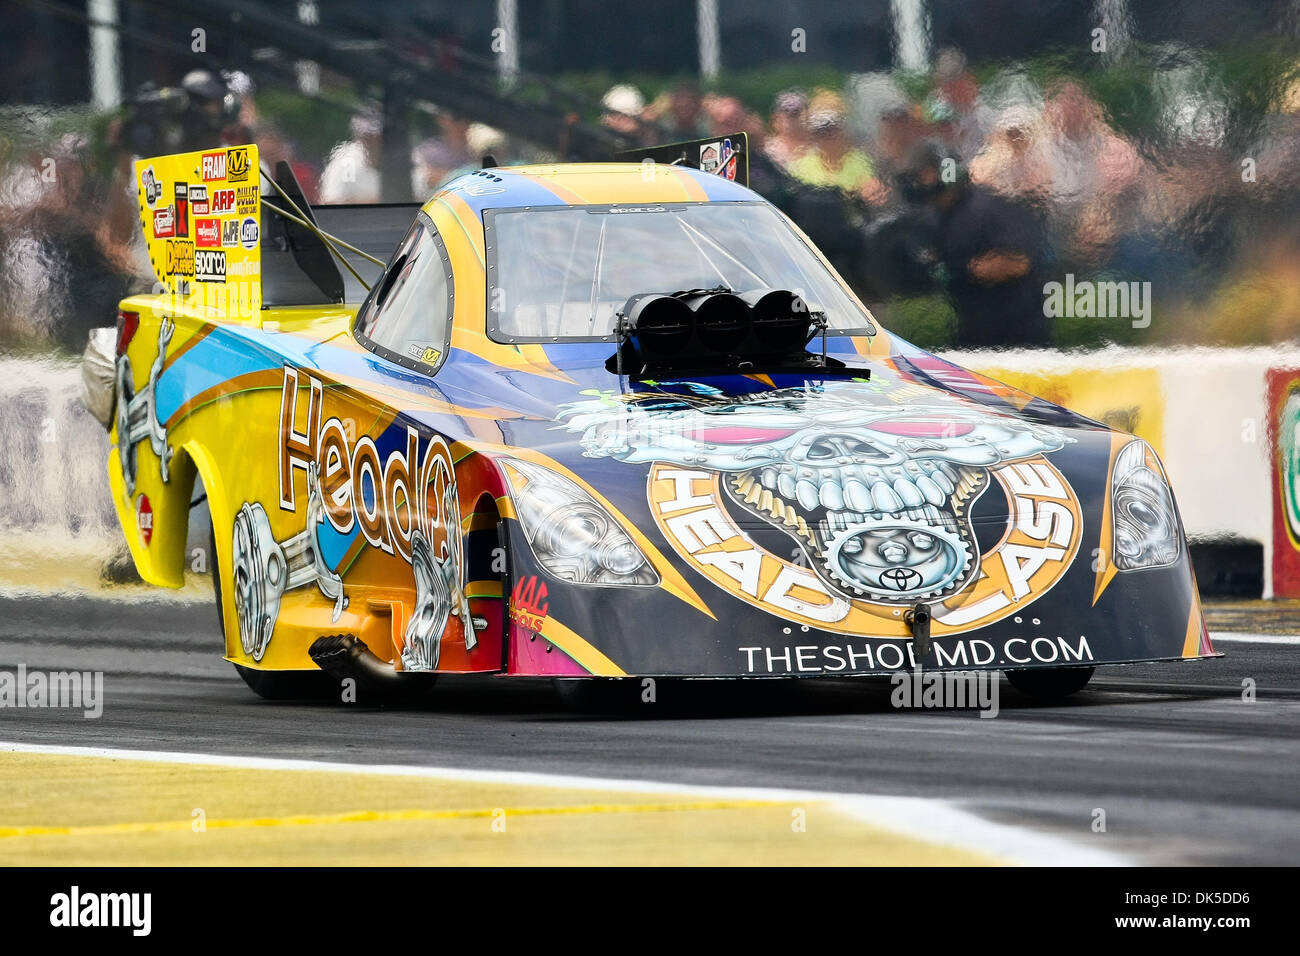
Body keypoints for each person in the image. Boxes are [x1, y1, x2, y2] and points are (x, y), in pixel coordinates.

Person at [900, 141, 1052, 348]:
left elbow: (1018, 262)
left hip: (1016, 331)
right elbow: (926, 257)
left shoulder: (989, 208)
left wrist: (964, 269)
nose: (918, 181)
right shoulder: (930, 216)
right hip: (970, 328)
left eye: (925, 174)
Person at [787, 90, 885, 204]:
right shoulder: (800, 166)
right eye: (819, 131)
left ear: (842, 130)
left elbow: (873, 194)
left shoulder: (862, 162)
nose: (826, 136)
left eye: (831, 129)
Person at [319, 108, 382, 203]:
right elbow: (331, 203)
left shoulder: (407, 159)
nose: (373, 141)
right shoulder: (344, 160)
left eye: (377, 135)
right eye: (367, 136)